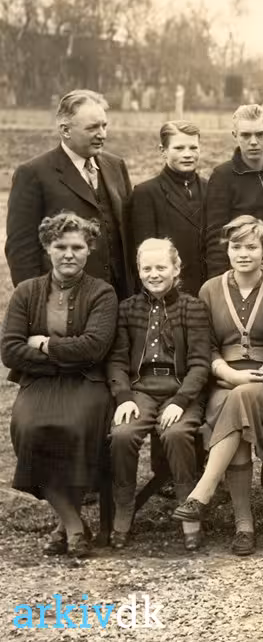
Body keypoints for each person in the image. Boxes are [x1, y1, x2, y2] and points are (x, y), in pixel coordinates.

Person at [175, 216, 263, 556]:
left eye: (252, 247)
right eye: (236, 246)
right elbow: (205, 344)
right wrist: (226, 372)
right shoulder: (210, 289)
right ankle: (244, 525)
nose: (244, 253)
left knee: (240, 401)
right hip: (225, 379)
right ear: (227, 250)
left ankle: (204, 491)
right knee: (235, 410)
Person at [3, 213, 119, 558]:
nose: (69, 254)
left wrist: (43, 345)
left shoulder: (102, 292)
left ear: (89, 250)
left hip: (87, 382)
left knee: (78, 425)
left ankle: (65, 524)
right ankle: (72, 522)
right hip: (39, 384)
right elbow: (10, 350)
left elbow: (94, 348)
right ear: (47, 249)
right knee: (30, 427)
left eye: (77, 247)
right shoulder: (27, 291)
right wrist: (63, 357)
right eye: (61, 246)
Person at [106, 239, 210, 550]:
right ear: (138, 271)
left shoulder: (193, 308)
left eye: (161, 267)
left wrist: (180, 401)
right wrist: (123, 396)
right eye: (147, 268)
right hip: (140, 390)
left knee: (177, 434)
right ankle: (124, 507)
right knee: (123, 434)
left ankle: (188, 509)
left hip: (180, 392)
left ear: (176, 269)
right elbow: (117, 359)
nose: (154, 274)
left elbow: (200, 363)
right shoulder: (127, 309)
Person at [6, 90, 133, 296]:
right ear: (65, 130)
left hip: (119, 299)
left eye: (104, 125)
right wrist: (38, 303)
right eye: (92, 128)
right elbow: (21, 250)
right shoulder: (33, 173)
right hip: (65, 301)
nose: (102, 134)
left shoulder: (116, 166)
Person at [205, 103, 263, 276]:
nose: (253, 142)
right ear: (234, 135)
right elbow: (216, 235)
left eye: (260, 134)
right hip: (238, 271)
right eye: (245, 135)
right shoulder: (222, 176)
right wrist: (221, 281)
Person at [129, 121, 209, 294]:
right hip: (167, 290)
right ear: (163, 151)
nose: (187, 154)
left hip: (206, 287)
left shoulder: (210, 188)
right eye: (179, 148)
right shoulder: (146, 193)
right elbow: (144, 253)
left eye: (193, 148)